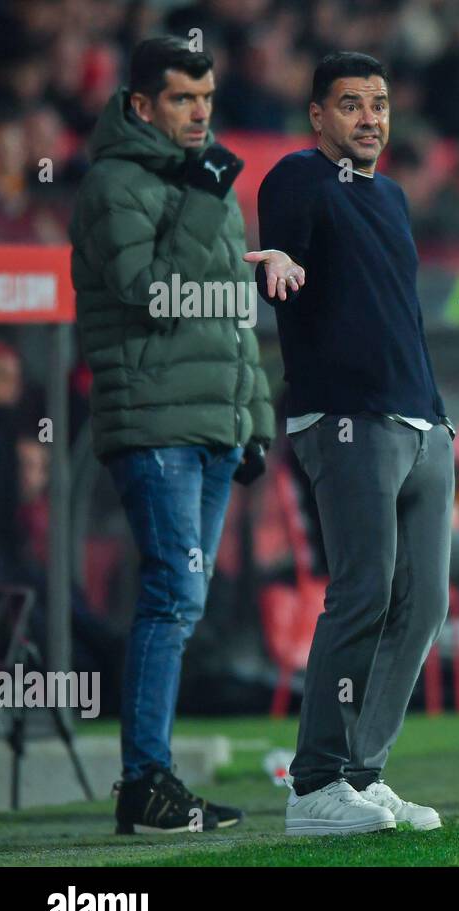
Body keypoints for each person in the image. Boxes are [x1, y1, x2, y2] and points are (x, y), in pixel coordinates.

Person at [70, 36, 293, 835]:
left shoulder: (202, 182)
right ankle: (146, 784)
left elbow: (235, 316)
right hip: (155, 422)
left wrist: (254, 417)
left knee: (179, 601)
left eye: (205, 97)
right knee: (172, 595)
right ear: (141, 105)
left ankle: (149, 783)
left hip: (208, 424)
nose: (200, 112)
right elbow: (147, 292)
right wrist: (204, 198)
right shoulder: (114, 185)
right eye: (180, 99)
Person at [257, 52, 455, 836]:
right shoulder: (297, 178)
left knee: (424, 604)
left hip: (418, 423)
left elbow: (396, 314)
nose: (369, 118)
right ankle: (312, 788)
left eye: (378, 103)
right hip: (346, 420)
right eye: (350, 104)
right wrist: (278, 258)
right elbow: (285, 245)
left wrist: (437, 416)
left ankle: (362, 775)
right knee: (364, 594)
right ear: (317, 116)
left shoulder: (393, 197)